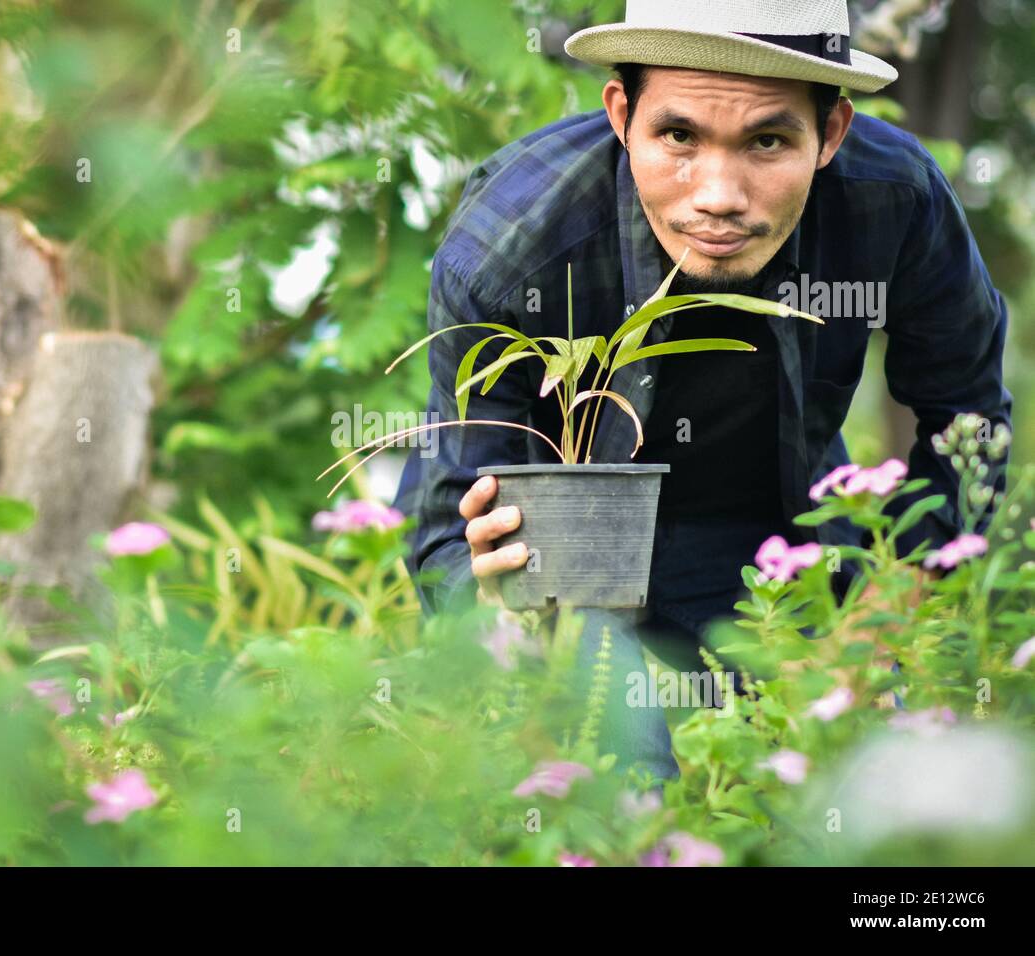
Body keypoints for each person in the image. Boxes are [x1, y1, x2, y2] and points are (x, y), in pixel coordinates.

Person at [391, 0, 1013, 779]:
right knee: (621, 777)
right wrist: (487, 613)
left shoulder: (897, 201)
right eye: (678, 135)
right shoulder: (512, 243)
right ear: (622, 114)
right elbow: (451, 522)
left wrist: (894, 605)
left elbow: (967, 415)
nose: (718, 194)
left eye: (767, 140)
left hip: (778, 535)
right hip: (567, 556)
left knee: (861, 771)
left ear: (833, 133)